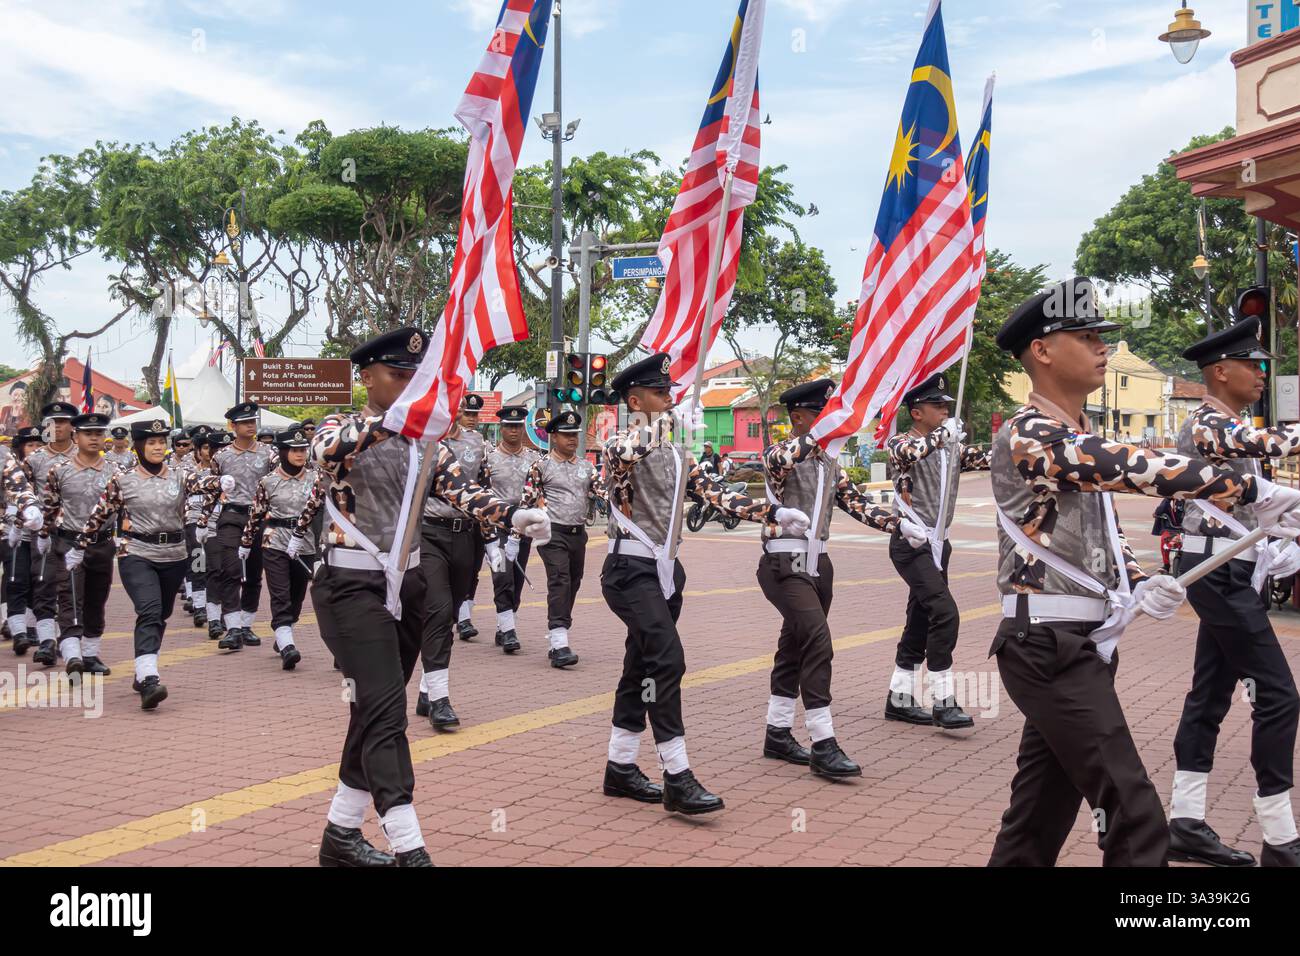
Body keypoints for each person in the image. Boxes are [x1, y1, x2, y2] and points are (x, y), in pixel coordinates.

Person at [986, 277, 1300, 867]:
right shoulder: (1029, 431)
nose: (1103, 346)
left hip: (1079, 643)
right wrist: (1252, 486)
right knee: (1134, 816)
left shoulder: (1076, 434)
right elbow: (1137, 467)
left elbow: (1098, 532)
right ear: (1043, 351)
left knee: (1037, 820)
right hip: (1047, 646)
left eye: (1102, 335)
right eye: (1085, 335)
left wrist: (1135, 583)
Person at [302, 326, 550, 867]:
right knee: (387, 709)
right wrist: (397, 419)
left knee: (372, 710)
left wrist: (513, 515)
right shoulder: (339, 427)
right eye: (397, 375)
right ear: (365, 377)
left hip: (407, 584)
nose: (410, 386)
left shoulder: (423, 445)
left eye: (417, 377)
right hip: (350, 586)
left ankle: (340, 835)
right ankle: (409, 843)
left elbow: (461, 487)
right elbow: (326, 449)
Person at [600, 354, 809, 815]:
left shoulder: (677, 451)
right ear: (635, 401)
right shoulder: (618, 445)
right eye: (660, 393)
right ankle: (677, 774)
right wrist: (665, 425)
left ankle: (620, 766)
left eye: (670, 391)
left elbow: (714, 491)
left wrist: (773, 513)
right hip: (629, 572)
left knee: (642, 667)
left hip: (666, 572)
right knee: (668, 660)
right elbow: (624, 456)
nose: (670, 398)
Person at [1169, 317, 1300, 867]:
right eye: (1254, 366)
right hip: (1215, 571)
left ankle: (1186, 820)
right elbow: (1263, 441)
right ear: (1221, 371)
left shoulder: (1227, 423)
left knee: (1210, 696)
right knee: (1278, 695)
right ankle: (1280, 835)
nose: (1262, 375)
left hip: (1229, 567)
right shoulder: (1207, 423)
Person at [758, 379, 898, 778]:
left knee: (795, 647)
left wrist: (898, 526)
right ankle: (823, 741)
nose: (834, 422)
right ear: (799, 418)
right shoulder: (779, 455)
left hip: (819, 565)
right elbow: (783, 459)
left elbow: (857, 503)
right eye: (824, 414)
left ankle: (777, 732)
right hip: (784, 563)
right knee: (818, 639)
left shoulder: (828, 463)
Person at [69, 418, 230, 709]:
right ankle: (149, 678)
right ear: (139, 446)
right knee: (150, 610)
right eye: (151, 442)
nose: (157, 447)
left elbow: (201, 483)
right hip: (137, 552)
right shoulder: (123, 479)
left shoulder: (179, 476)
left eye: (161, 442)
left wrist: (220, 481)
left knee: (162, 613)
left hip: (175, 554)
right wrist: (79, 546)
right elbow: (99, 513)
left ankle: (143, 666)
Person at [883, 372, 975, 730]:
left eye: (945, 407)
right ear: (916, 412)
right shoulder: (901, 443)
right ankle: (943, 699)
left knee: (920, 619)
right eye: (937, 406)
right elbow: (911, 453)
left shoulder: (948, 446)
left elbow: (981, 460)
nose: (944, 412)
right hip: (911, 543)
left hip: (940, 543)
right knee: (945, 612)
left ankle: (899, 697)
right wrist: (943, 436)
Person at [414, 392, 489, 729]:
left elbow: (483, 487)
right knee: (439, 610)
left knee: (451, 612)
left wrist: (493, 538)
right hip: (430, 533)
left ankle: (426, 688)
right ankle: (440, 700)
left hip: (466, 534)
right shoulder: (421, 442)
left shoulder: (477, 443)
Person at [516, 410, 603, 668]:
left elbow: (602, 494)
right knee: (560, 580)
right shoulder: (541, 467)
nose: (572, 439)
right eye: (566, 435)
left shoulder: (587, 467)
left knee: (573, 583)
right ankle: (558, 641)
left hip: (578, 534)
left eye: (574, 435)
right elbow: (526, 500)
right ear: (554, 437)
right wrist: (514, 536)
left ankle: (560, 632)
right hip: (552, 532)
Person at [38, 412, 120, 676]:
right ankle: (72, 654)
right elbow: (49, 509)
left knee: (97, 599)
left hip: (102, 545)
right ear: (76, 435)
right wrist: (43, 536)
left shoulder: (115, 472)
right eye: (88, 433)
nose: (94, 438)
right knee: (70, 598)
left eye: (99, 434)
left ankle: (90, 654)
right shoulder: (60, 471)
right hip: (69, 543)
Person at [240, 425, 322, 670]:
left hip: (304, 542)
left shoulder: (315, 479)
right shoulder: (268, 481)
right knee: (280, 593)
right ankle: (287, 645)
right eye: (294, 450)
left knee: (297, 595)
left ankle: (284, 632)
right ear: (283, 451)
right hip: (274, 540)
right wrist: (246, 543)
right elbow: (256, 514)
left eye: (303, 450)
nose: (300, 454)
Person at [210, 402, 278, 650]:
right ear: (233, 426)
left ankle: (247, 624)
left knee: (253, 572)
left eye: (253, 421)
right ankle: (233, 627)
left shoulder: (269, 454)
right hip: (231, 516)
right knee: (230, 570)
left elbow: (276, 483)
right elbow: (213, 486)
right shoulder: (221, 456)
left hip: (259, 517)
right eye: (246, 422)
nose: (251, 426)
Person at [481, 404, 540, 654]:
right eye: (509, 426)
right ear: (501, 428)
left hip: (523, 526)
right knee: (502, 576)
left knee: (516, 579)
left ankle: (504, 623)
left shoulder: (533, 459)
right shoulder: (489, 459)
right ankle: (509, 632)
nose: (514, 431)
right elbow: (481, 494)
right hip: (497, 526)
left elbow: (539, 492)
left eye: (517, 426)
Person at [26, 401, 78, 666]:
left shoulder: (84, 456)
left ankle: (69, 640)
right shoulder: (34, 460)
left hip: (76, 531)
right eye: (52, 422)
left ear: (72, 426)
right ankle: (47, 641)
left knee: (71, 586)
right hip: (46, 529)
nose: (57, 427)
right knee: (43, 580)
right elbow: (20, 492)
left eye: (62, 422)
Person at [4, 426, 44, 654]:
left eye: (39, 445)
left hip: (42, 534)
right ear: (20, 448)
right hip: (14, 533)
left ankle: (30, 628)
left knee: (39, 583)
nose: (35, 450)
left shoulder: (51, 466)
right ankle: (18, 631)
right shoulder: (13, 465)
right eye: (30, 445)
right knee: (16, 581)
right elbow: (11, 495)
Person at [451, 394, 488, 641]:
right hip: (443, 512)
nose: (472, 419)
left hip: (472, 514)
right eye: (468, 414)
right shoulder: (441, 438)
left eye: (475, 415)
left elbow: (484, 479)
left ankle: (464, 616)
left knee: (471, 569)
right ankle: (455, 615)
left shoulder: (479, 443)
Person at [199, 431, 233, 639]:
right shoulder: (202, 476)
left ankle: (229, 617)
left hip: (233, 527)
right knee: (215, 571)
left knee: (231, 573)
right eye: (218, 449)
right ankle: (213, 619)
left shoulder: (236, 474)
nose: (222, 453)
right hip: (211, 527)